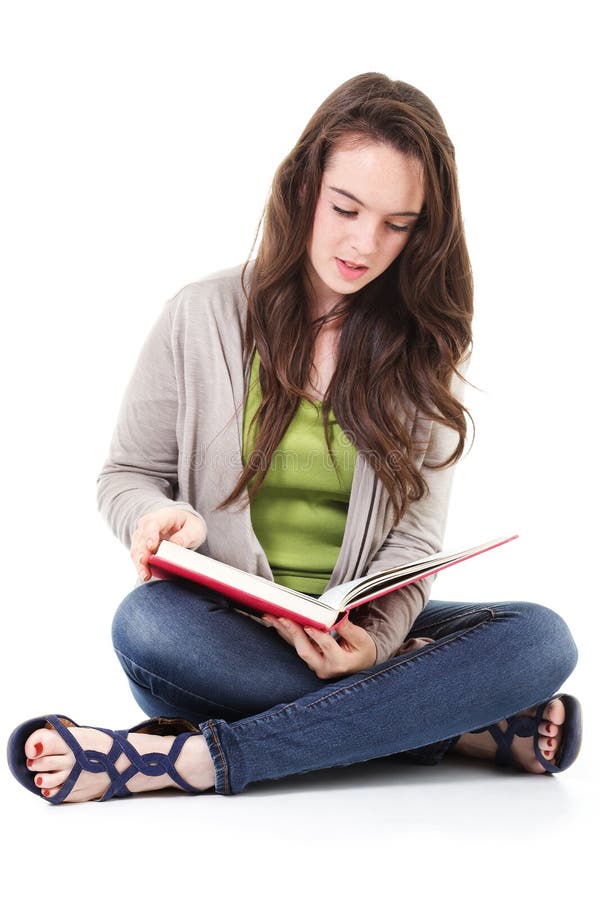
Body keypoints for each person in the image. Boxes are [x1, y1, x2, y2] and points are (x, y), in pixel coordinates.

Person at [7, 72, 582, 803]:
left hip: (354, 633)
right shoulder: (200, 314)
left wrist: (371, 645)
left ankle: (194, 759)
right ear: (305, 186)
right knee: (149, 628)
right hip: (229, 637)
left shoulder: (427, 346)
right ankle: (444, 720)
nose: (364, 242)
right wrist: (151, 519)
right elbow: (125, 473)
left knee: (540, 639)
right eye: (346, 208)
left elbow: (414, 542)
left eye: (397, 224)